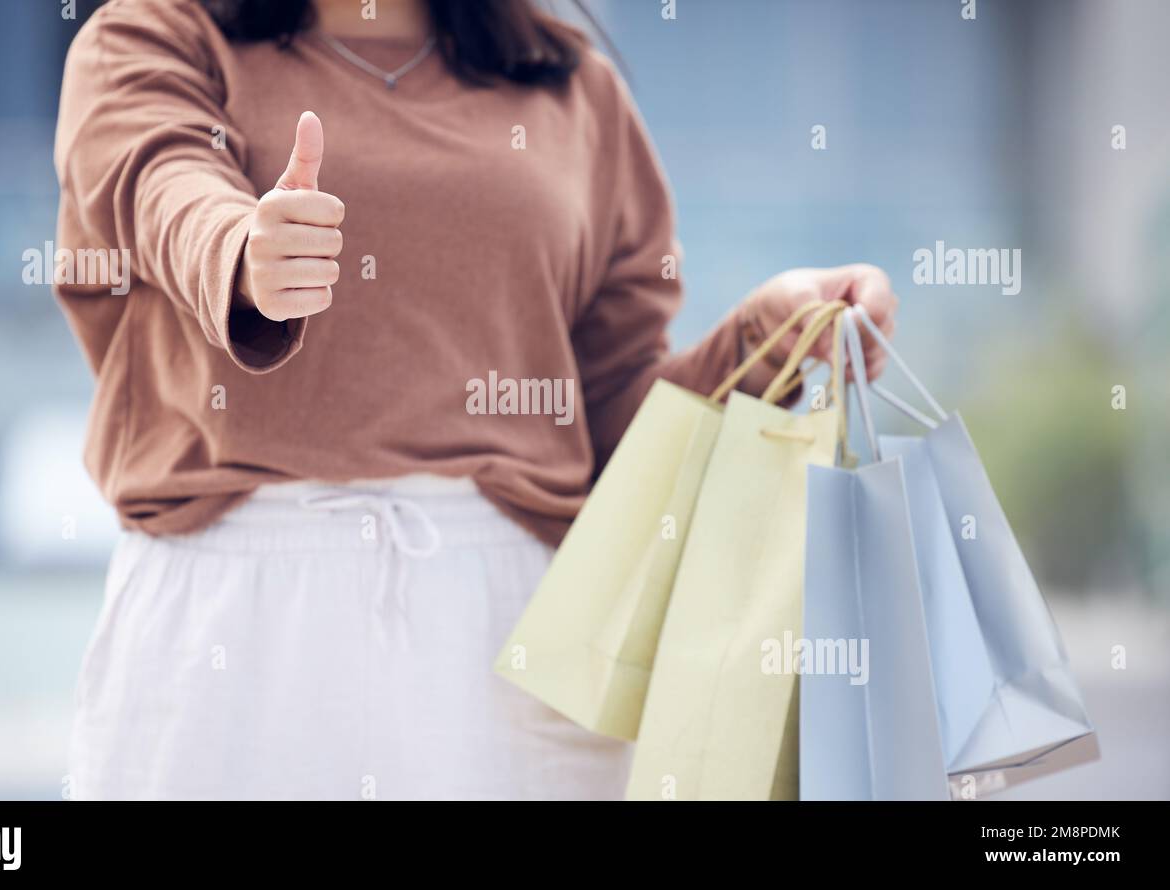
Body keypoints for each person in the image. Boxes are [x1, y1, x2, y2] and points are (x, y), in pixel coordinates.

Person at [53, 0, 898, 800]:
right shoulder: (151, 37)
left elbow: (610, 420)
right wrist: (242, 253)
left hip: (513, 640)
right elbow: (161, 185)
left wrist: (760, 346)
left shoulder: (570, 88)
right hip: (232, 634)